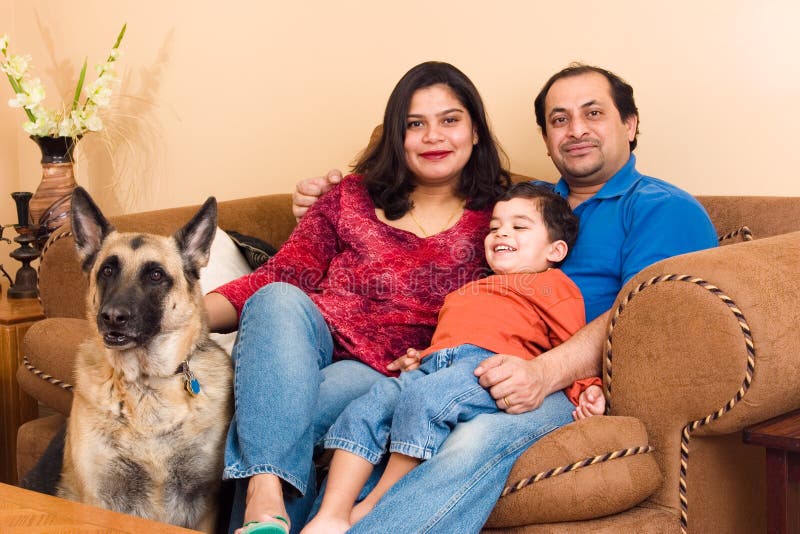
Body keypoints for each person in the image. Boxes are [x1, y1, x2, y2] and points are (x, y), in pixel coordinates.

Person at [291, 63, 719, 532]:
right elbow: (419, 212)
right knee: (362, 411)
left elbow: (640, 316)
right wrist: (337, 198)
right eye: (559, 119)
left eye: (593, 113)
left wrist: (543, 372)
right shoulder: (521, 202)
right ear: (546, 136)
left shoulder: (662, 208)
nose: (576, 129)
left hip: (555, 382)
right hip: (465, 363)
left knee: (468, 443)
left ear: (630, 124)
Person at [203, 61, 512, 534]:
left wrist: (441, 358)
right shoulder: (349, 197)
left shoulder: (503, 216)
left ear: (475, 131)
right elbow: (281, 274)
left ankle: (265, 516)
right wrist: (179, 321)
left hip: (385, 370)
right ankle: (264, 491)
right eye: (415, 124)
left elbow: (511, 306)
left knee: (289, 409)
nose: (434, 136)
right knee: (278, 296)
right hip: (314, 341)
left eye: (450, 120)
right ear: (396, 135)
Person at [302, 183, 603, 534]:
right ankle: (331, 514)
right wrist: (421, 357)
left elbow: (570, 343)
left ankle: (372, 506)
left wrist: (587, 390)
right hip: (435, 365)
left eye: (519, 226)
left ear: (556, 250)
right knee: (372, 403)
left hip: (489, 366)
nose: (502, 232)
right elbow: (449, 337)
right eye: (494, 227)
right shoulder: (467, 289)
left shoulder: (555, 286)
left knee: (425, 400)